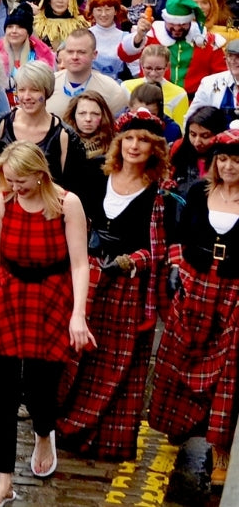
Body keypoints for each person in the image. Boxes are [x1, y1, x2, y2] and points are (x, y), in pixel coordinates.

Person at [0, 142, 95, 507]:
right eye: (9, 180)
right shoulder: (0, 200)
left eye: (21, 181)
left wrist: (78, 313)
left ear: (40, 173)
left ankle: (44, 431)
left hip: (51, 296)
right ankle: (3, 483)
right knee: (2, 395)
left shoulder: (67, 204)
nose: (15, 187)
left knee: (42, 387)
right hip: (9, 294)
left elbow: (80, 264)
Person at [56, 109, 173, 462]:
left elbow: (160, 250)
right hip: (87, 277)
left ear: (155, 148)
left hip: (127, 288)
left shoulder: (161, 193)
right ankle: (62, 427)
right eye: (128, 139)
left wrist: (130, 261)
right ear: (118, 143)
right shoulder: (96, 174)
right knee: (76, 355)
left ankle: (103, 439)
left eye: (143, 141)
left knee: (115, 366)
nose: (134, 146)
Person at [149, 122, 239, 488]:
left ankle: (221, 451)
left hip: (233, 290)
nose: (229, 167)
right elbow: (177, 234)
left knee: (227, 370)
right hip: (194, 282)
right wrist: (174, 267)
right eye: (224, 159)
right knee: (180, 357)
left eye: (236, 161)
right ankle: (180, 424)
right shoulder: (198, 192)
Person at [119, 0, 226, 96]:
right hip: (153, 99)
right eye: (172, 23)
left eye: (182, 24)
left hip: (194, 103)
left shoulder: (209, 42)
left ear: (190, 21)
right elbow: (124, 55)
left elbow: (221, 76)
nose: (177, 28)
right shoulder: (151, 34)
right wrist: (139, 35)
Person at [46, 30, 129, 118]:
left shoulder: (112, 90)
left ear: (94, 54)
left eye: (81, 52)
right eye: (70, 52)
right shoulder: (49, 84)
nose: (74, 57)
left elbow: (118, 124)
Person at [122, 44, 191, 125]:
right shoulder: (126, 87)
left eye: (158, 69)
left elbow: (180, 127)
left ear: (167, 66)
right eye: (148, 68)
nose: (153, 73)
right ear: (141, 64)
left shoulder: (179, 94)